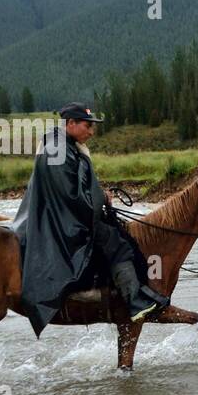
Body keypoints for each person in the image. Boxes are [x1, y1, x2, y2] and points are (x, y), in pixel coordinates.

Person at [13, 103, 169, 335]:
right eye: (87, 126)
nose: (91, 131)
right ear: (71, 124)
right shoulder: (58, 149)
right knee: (116, 243)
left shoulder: (64, 146)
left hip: (59, 215)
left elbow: (73, 187)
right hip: (59, 222)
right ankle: (134, 302)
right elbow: (69, 195)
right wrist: (97, 200)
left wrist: (98, 194)